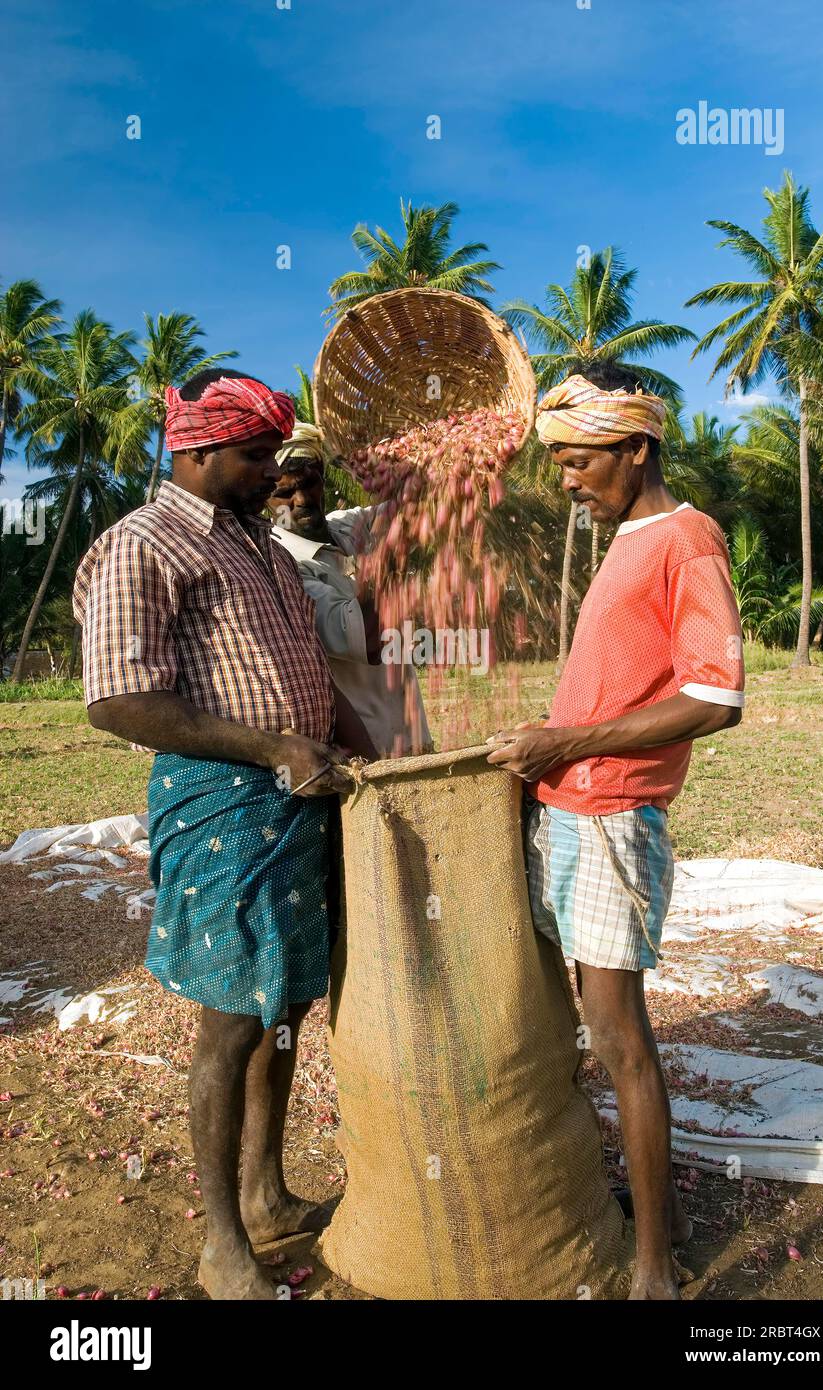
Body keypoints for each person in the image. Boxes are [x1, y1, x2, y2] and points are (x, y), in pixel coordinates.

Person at [72, 369, 375, 1301]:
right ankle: (222, 1241)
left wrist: (360, 749)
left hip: (300, 793)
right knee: (233, 1020)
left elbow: (314, 681)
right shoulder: (143, 546)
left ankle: (267, 1190)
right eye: (254, 457)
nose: (270, 474)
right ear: (196, 451)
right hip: (223, 805)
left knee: (283, 1005)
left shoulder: (264, 548)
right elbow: (119, 700)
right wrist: (268, 746)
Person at [486, 364, 745, 1301]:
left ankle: (651, 1270)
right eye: (557, 461)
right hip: (568, 810)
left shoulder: (686, 539)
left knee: (619, 1037)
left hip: (611, 819)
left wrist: (568, 740)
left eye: (580, 460)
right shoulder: (629, 538)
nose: (565, 480)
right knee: (588, 1028)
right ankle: (656, 1214)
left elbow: (715, 698)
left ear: (637, 447)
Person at [268, 423, 431, 757]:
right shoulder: (282, 566)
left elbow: (419, 505)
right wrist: (387, 554)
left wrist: (410, 468)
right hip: (364, 748)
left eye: (308, 484)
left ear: (322, 477)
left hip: (409, 728)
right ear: (264, 498)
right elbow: (371, 639)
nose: (300, 501)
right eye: (283, 493)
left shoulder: (346, 526)